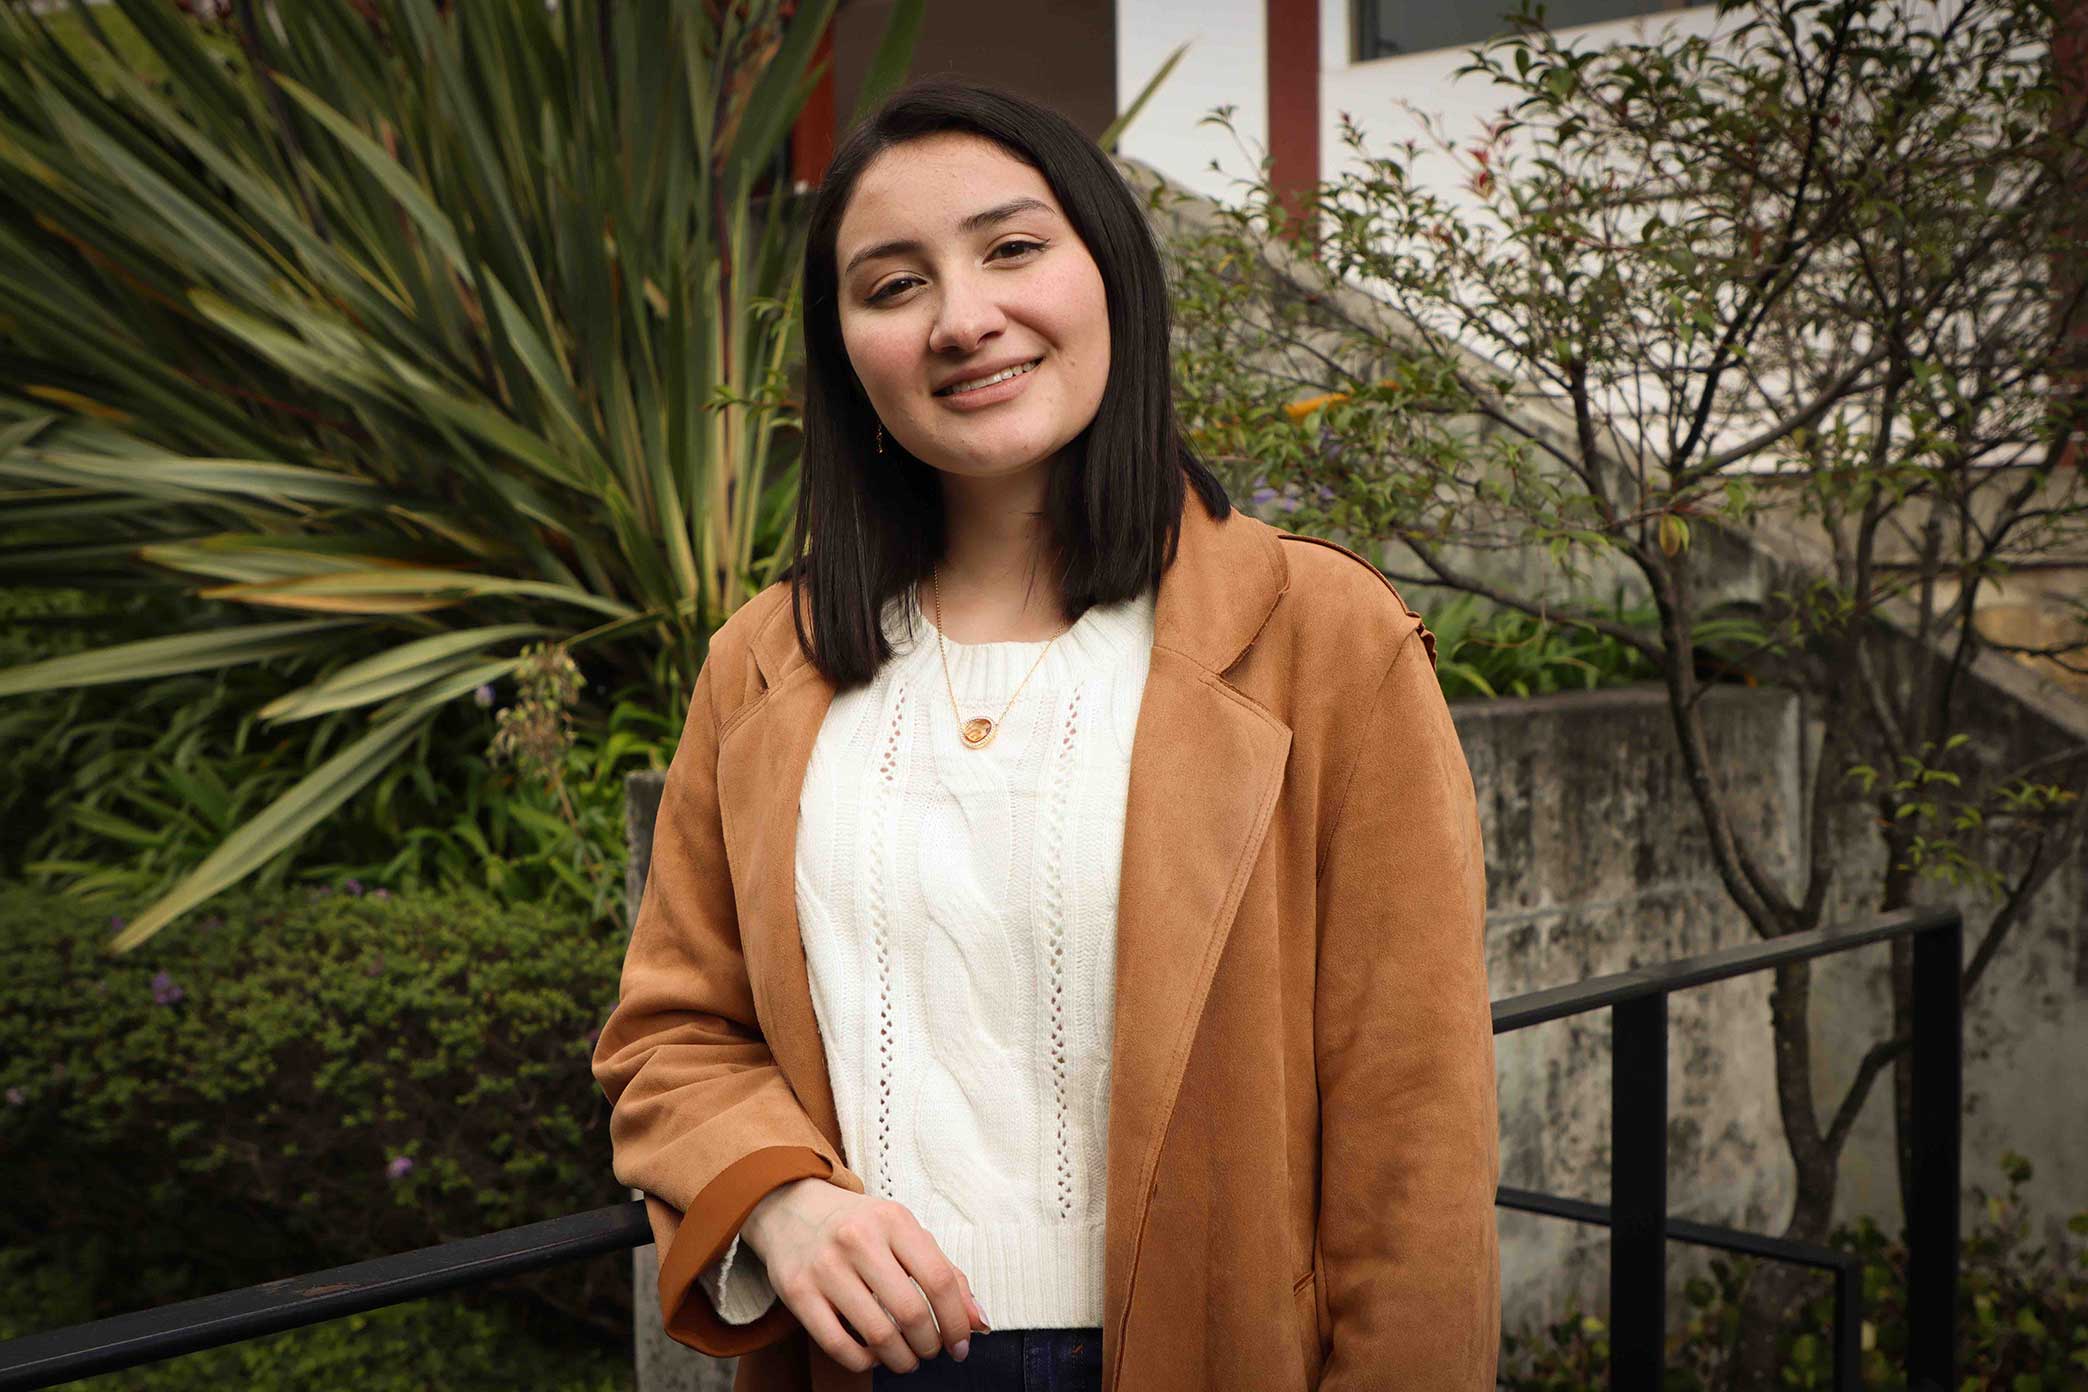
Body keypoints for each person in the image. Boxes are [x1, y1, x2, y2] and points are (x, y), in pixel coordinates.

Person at [591, 78, 1499, 1392]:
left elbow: (1411, 1134)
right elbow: (673, 1033)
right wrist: (779, 1200)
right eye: (892, 286)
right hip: (865, 1367)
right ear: (847, 351)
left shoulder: (1322, 637)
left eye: (1012, 248)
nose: (965, 318)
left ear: (1112, 273)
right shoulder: (763, 666)